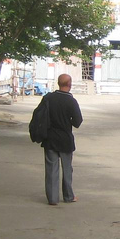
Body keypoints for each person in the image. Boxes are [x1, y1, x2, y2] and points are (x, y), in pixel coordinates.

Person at [40, 73, 83, 205]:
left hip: (50, 138)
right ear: (69, 85)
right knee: (67, 168)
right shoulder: (71, 101)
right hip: (65, 140)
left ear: (58, 83)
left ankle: (52, 199)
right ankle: (68, 196)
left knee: (51, 169)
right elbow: (77, 122)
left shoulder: (48, 98)